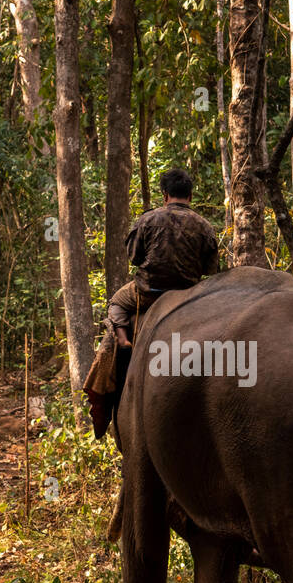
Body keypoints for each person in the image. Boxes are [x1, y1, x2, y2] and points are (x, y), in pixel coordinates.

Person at [83, 167, 220, 437]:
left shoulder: (148, 220)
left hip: (148, 293)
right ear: (190, 195)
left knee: (116, 303)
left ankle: (122, 339)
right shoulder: (204, 225)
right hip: (190, 295)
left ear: (165, 194)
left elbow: (134, 256)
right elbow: (210, 268)